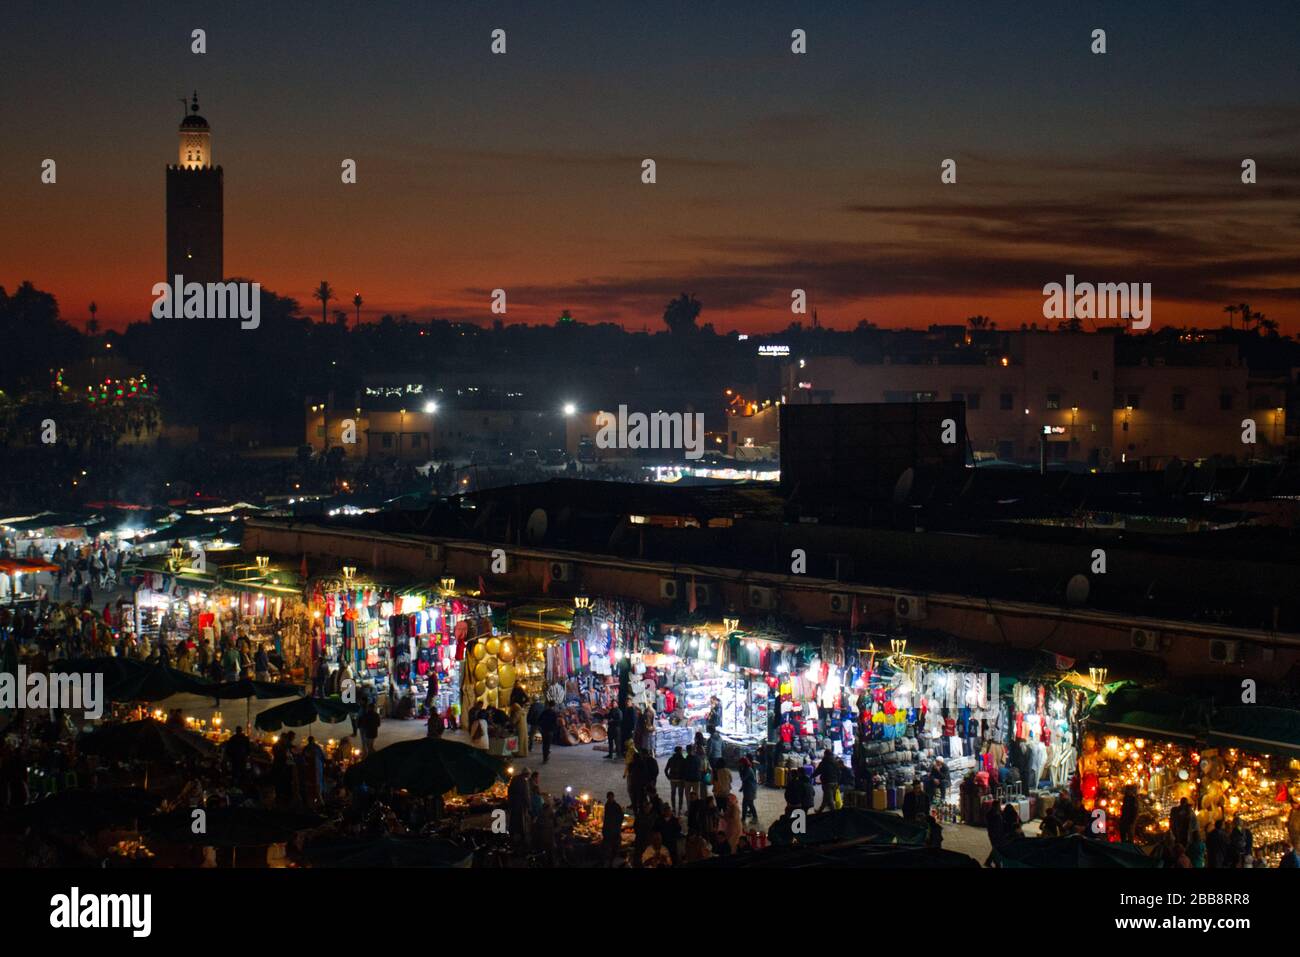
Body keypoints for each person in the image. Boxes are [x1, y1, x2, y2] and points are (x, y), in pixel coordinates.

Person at [656, 801, 683, 865]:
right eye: (667, 811)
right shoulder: (659, 820)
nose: (668, 813)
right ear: (664, 812)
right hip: (663, 842)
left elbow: (678, 829)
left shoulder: (674, 820)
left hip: (672, 843)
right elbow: (656, 830)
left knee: (673, 857)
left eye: (669, 811)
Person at [302, 736, 325, 808]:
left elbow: (303, 758)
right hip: (316, 772)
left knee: (312, 789)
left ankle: (313, 804)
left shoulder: (307, 748)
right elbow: (322, 757)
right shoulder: (317, 748)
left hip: (311, 773)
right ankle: (320, 805)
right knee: (317, 788)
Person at [602, 792, 624, 867]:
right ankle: (609, 862)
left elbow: (621, 817)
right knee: (608, 847)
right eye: (609, 797)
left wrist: (617, 826)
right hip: (608, 830)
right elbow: (606, 819)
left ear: (613, 797)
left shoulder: (616, 806)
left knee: (614, 847)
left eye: (611, 797)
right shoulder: (607, 805)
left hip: (614, 831)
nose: (610, 799)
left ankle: (611, 862)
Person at [665, 745, 687, 814]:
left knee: (673, 794)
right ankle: (679, 809)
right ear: (680, 751)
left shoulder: (671, 759)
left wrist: (668, 777)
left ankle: (674, 808)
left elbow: (666, 770)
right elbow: (685, 770)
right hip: (680, 780)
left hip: (673, 779)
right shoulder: (683, 760)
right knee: (680, 795)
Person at [738, 756, 758, 825]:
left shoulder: (748, 770)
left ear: (743, 763)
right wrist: (742, 788)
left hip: (750, 790)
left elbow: (743, 779)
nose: (739, 764)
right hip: (748, 789)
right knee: (748, 804)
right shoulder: (746, 769)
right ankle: (744, 818)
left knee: (748, 804)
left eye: (740, 763)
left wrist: (740, 771)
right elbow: (745, 781)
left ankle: (754, 818)